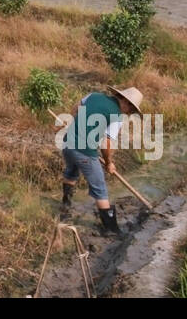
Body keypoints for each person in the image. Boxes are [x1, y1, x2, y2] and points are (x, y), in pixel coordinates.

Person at [58, 86, 143, 235]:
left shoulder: (94, 96)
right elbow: (106, 144)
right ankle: (111, 229)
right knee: (100, 188)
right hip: (84, 151)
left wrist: (75, 126)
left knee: (71, 172)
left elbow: (76, 107)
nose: (130, 113)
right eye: (132, 110)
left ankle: (65, 208)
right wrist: (109, 163)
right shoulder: (117, 116)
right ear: (126, 102)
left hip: (67, 142)